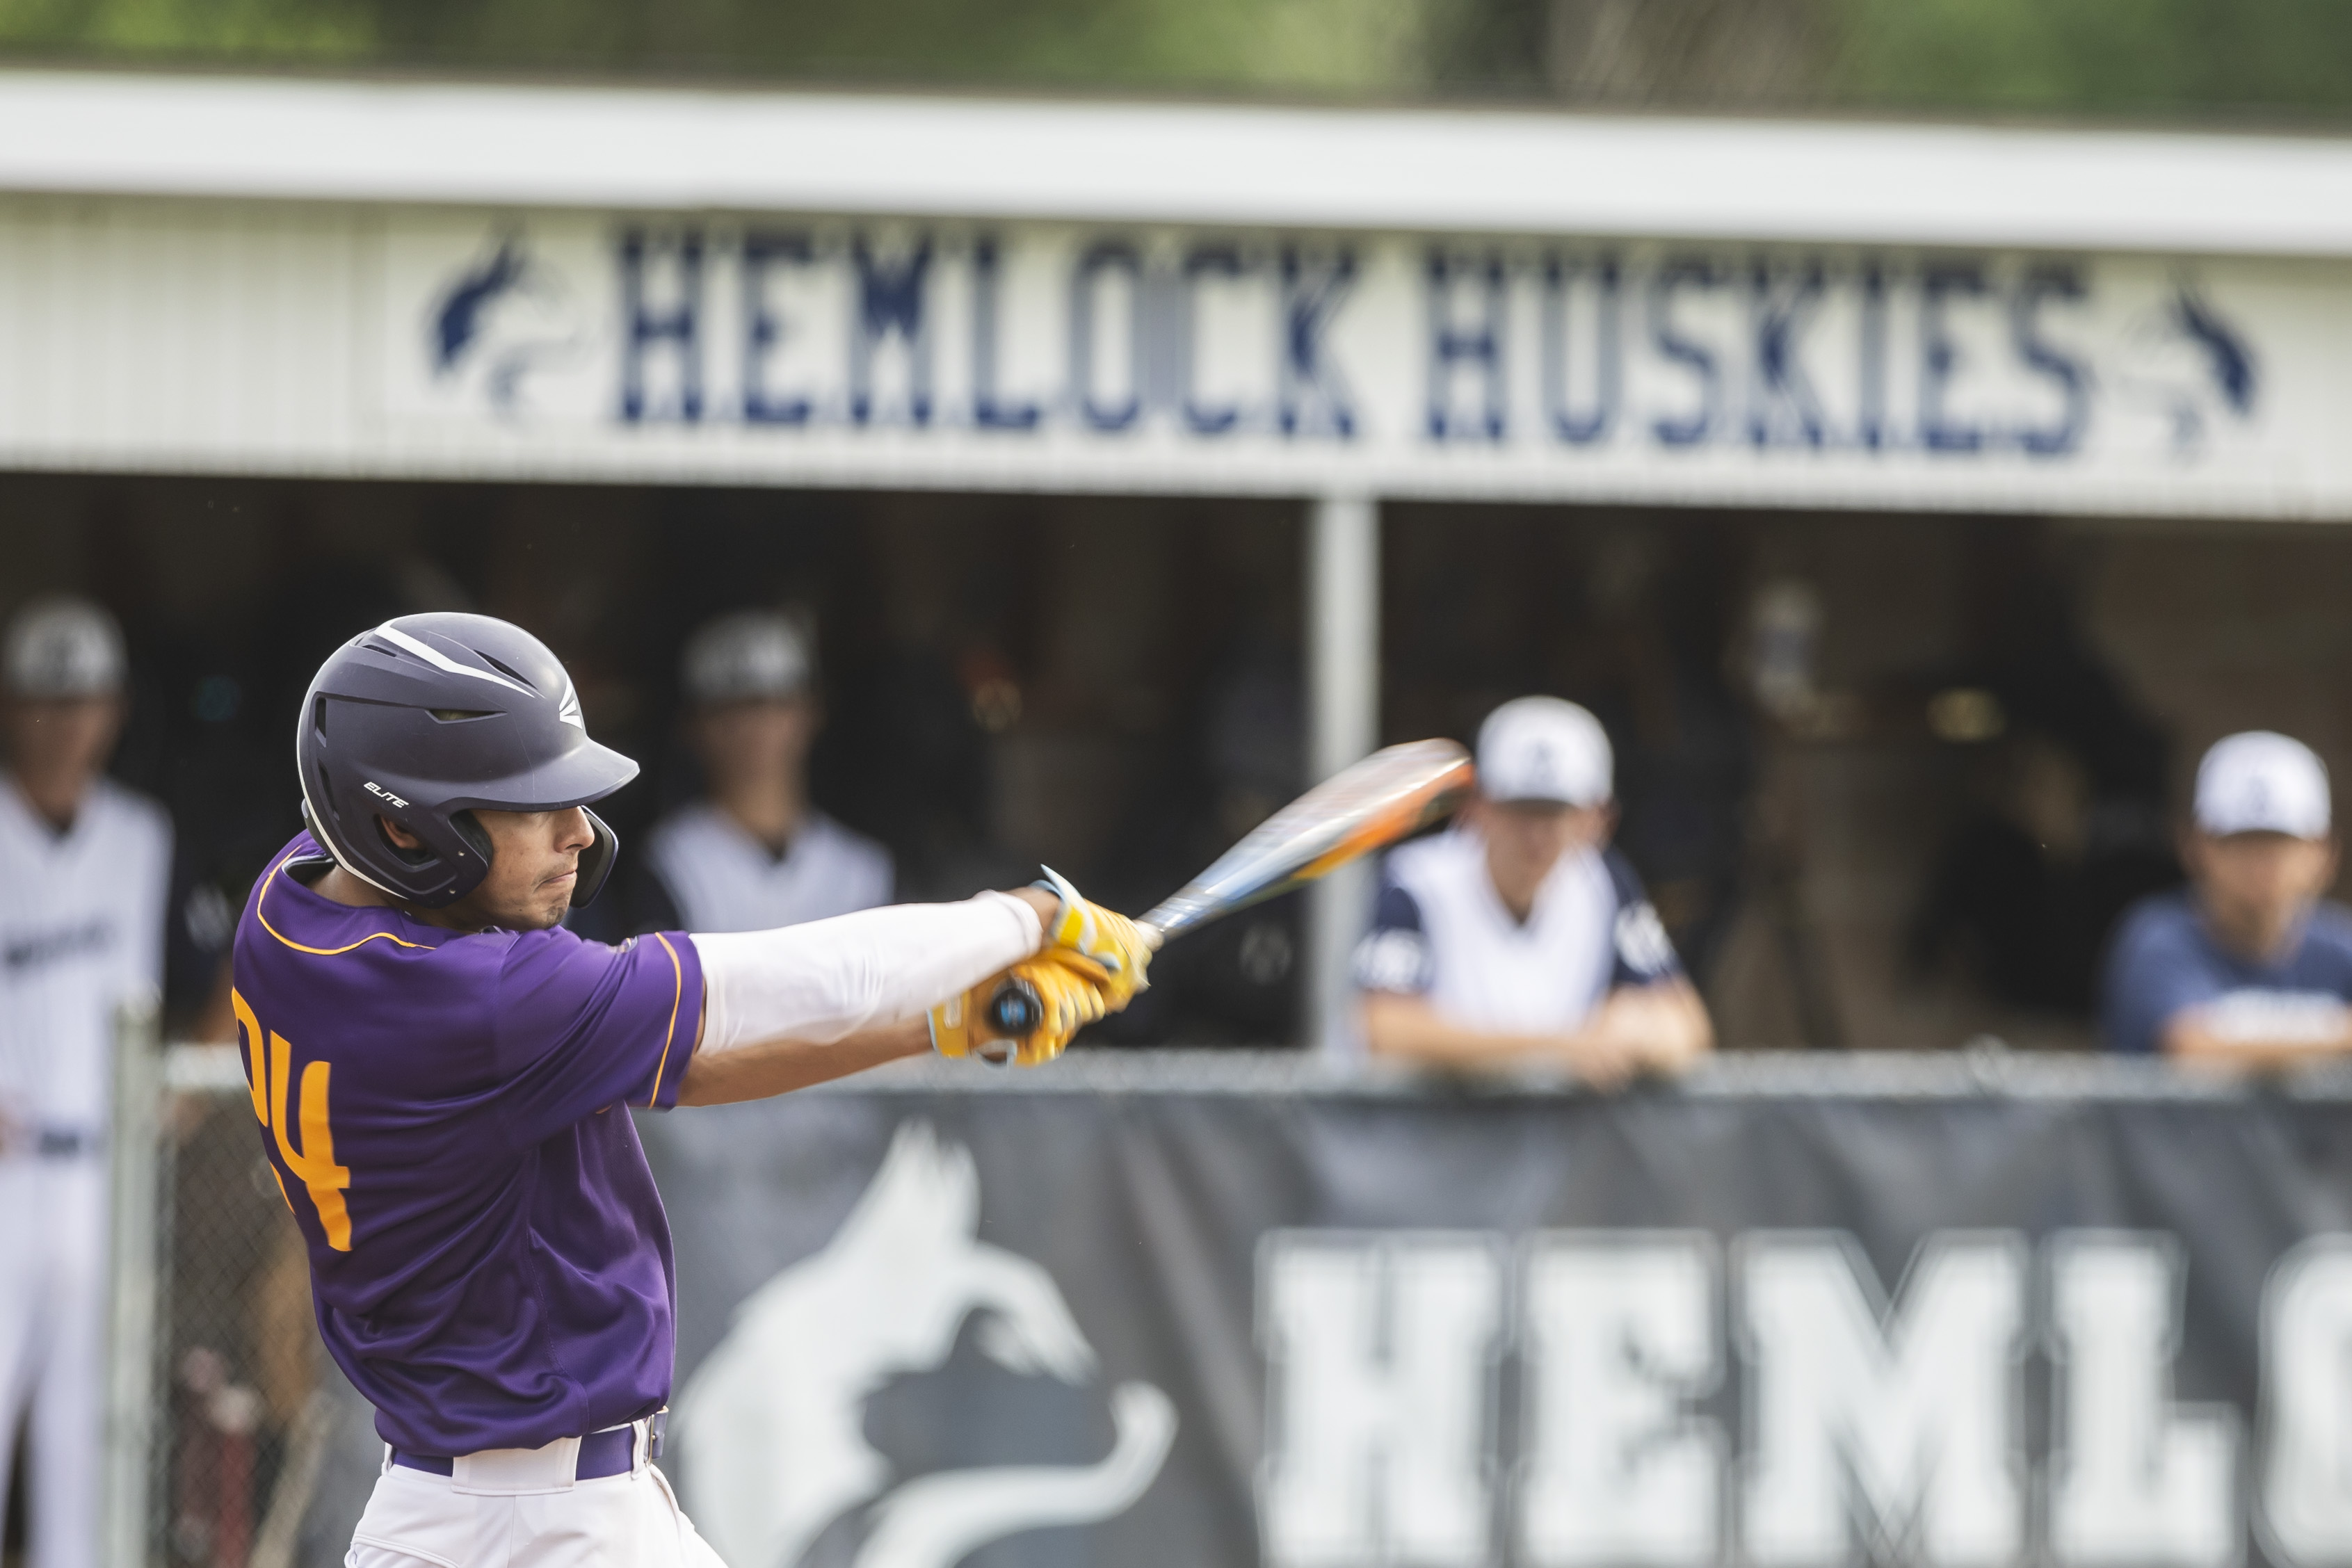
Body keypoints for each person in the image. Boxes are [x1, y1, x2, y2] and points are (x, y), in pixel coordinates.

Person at [231, 613, 1150, 1568]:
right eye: (528, 804)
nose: (577, 832)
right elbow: (816, 976)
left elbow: (688, 1062)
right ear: (400, 825)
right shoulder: (486, 1003)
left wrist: (944, 1023)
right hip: (553, 1528)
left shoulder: (287, 910)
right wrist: (1029, 916)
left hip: (430, 1515)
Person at [0, 596, 172, 1568]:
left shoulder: (143, 836)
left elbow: (224, 970)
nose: (65, 720)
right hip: (7, 1170)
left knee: (95, 1436)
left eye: (83, 699)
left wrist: (186, 1082)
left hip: (109, 1169)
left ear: (113, 708)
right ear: (10, 704)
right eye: (43, 698)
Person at [1353, 695, 1713, 1083]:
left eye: (1555, 815)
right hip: (1417, 1141)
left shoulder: (1604, 882)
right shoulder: (1418, 881)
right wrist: (1561, 1049)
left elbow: (1687, 1027)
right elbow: (1386, 1030)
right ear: (1477, 808)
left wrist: (1633, 1034)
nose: (1536, 837)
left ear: (1596, 820)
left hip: (1542, 1143)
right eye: (1520, 811)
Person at [609, 611, 891, 937]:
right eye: (731, 707)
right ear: (692, 726)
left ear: (812, 712)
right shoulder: (668, 862)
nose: (757, 724)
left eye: (774, 701)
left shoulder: (862, 868)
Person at [2103, 730, 2352, 1064]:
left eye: (2280, 844)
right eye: (2240, 843)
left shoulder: (2341, 946)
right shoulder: (2157, 939)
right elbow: (2192, 1049)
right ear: (2195, 848)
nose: (2261, 865)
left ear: (2324, 853)